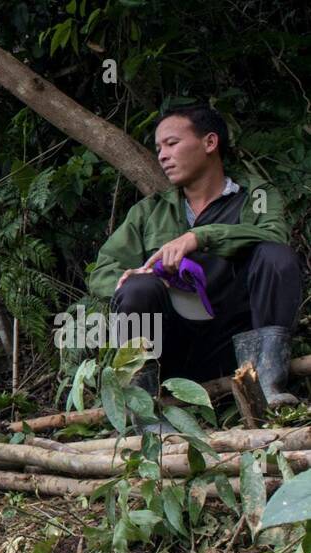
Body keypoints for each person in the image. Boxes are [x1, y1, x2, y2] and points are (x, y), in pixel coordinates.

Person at [89, 104, 301, 406]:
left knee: (275, 255)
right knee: (138, 287)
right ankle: (144, 407)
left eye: (172, 143)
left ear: (210, 143)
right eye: (159, 148)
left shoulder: (256, 196)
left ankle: (268, 387)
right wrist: (135, 278)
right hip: (170, 353)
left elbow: (275, 235)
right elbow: (102, 273)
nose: (162, 155)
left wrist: (200, 237)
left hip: (237, 349)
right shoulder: (149, 212)